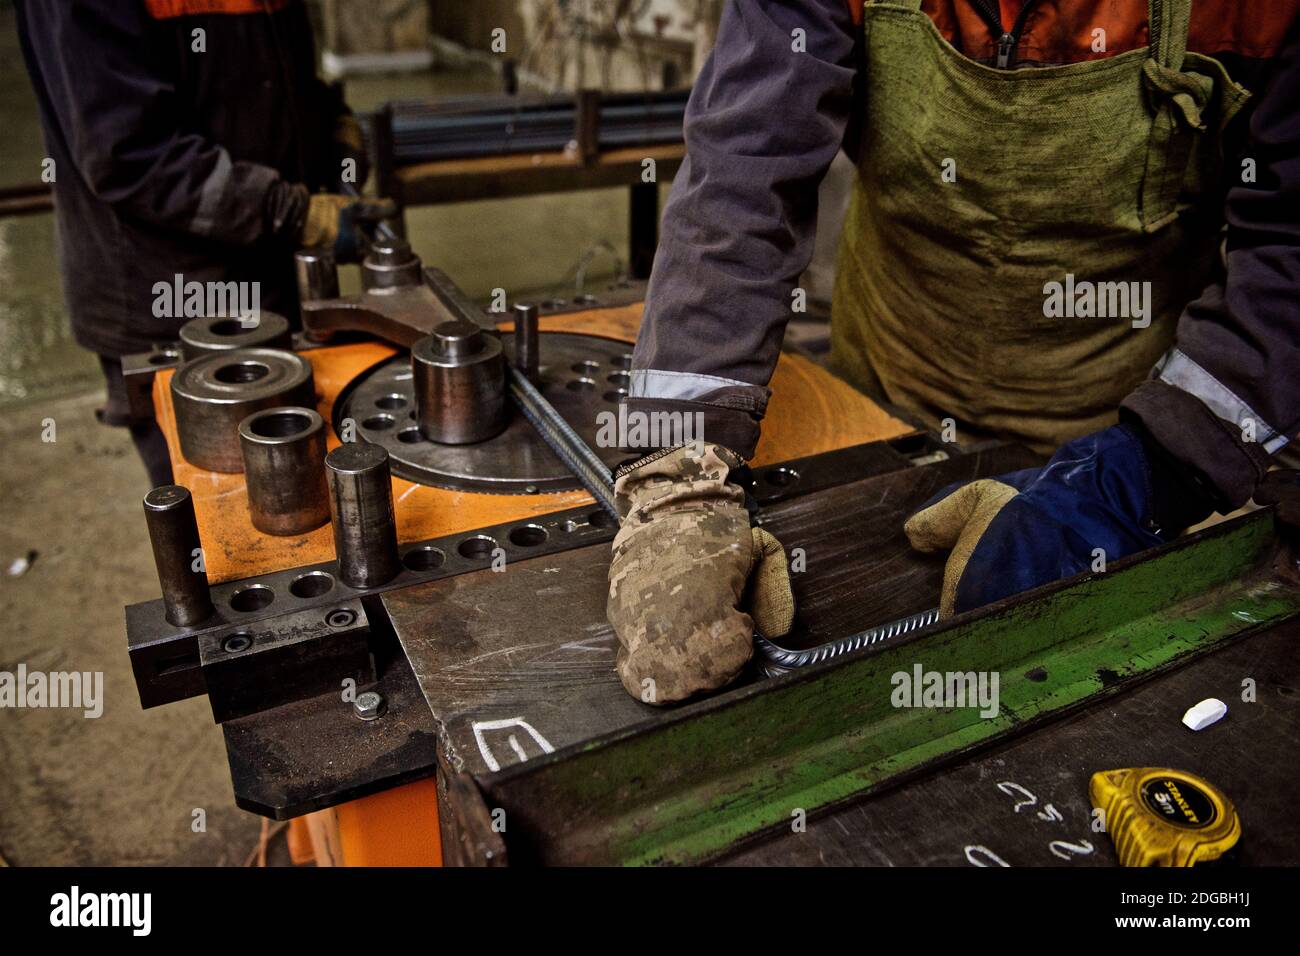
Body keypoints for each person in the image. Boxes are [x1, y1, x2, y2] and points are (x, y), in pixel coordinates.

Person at [607, 0, 1300, 704]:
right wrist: (679, 473)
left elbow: (1291, 251)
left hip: (1119, 406)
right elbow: (744, 170)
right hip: (882, 387)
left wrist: (1154, 474)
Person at [16, 0, 393, 487]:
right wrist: (291, 211)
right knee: (213, 508)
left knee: (299, 486)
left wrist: (328, 123)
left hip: (267, 273)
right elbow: (128, 156)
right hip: (166, 297)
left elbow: (263, 71)